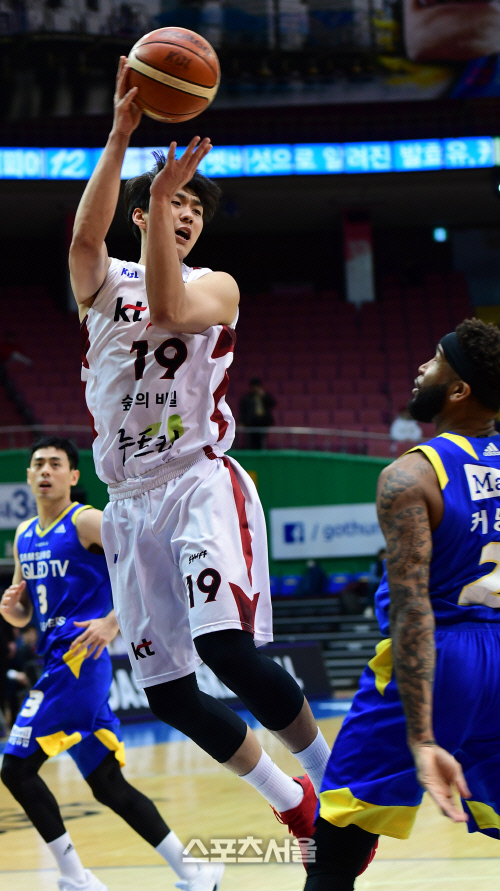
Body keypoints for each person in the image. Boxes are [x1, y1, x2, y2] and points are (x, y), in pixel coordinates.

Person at [68, 56, 330, 858]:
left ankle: (340, 778)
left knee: (225, 649)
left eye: (194, 209)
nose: (185, 214)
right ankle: (293, 799)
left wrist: (159, 199)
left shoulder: (218, 285)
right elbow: (84, 236)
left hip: (195, 483)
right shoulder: (101, 283)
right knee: (169, 692)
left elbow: (171, 303)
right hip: (127, 502)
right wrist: (121, 136)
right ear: (139, 212)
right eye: (173, 202)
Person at [304, 318, 500, 890]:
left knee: (334, 848)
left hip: (444, 656)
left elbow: (412, 611)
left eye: (435, 359)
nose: (421, 367)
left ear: (459, 389)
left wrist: (422, 738)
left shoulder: (411, 475)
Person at [0, 436, 225, 891]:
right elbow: (25, 613)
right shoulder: (23, 535)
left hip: (80, 662)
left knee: (15, 769)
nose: (45, 470)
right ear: (28, 475)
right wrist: (12, 611)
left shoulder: (85, 521)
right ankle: (195, 872)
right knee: (107, 783)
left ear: (73, 475)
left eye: (55, 464)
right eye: (38, 463)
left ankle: (75, 878)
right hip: (55, 659)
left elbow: (147, 565)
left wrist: (113, 622)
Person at [239, 376, 276, 449]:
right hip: (251, 422)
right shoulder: (247, 398)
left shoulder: (265, 395)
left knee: (262, 442)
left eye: (257, 386)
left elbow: (273, 403)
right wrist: (241, 421)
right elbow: (243, 411)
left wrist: (264, 396)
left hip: (263, 422)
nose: (255, 388)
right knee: (250, 442)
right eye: (254, 386)